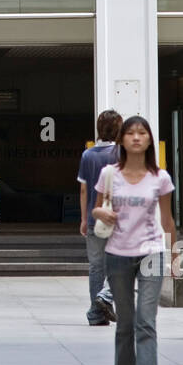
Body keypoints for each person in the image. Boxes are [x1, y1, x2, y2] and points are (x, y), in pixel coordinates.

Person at [92, 115, 176, 365]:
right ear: (122, 139)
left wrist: (176, 254)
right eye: (131, 133)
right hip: (117, 253)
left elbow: (167, 220)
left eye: (142, 133)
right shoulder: (109, 174)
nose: (137, 138)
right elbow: (96, 209)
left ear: (150, 139)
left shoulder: (160, 177)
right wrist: (101, 214)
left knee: (146, 320)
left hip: (151, 251)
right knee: (125, 320)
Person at [77, 110, 121, 325]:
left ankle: (97, 313)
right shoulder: (122, 153)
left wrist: (84, 218)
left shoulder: (88, 155)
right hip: (119, 218)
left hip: (95, 218)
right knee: (122, 263)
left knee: (96, 267)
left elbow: (84, 190)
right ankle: (105, 299)